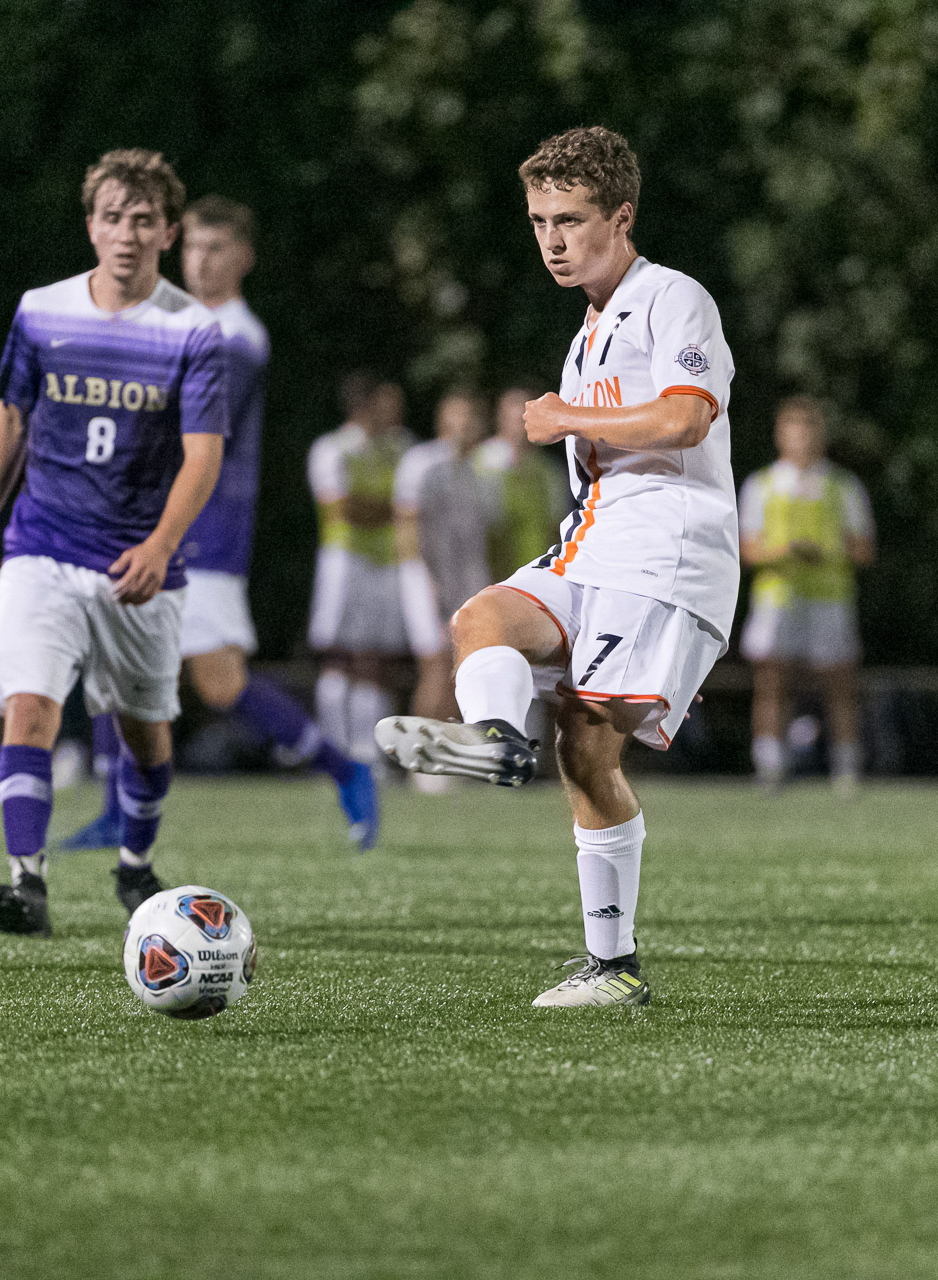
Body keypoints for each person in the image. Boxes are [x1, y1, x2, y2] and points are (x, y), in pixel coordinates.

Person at [376, 126, 737, 1008]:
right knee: (481, 621)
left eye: (570, 219)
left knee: (587, 737)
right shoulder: (586, 335)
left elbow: (688, 418)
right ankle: (497, 741)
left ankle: (614, 970)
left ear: (622, 217)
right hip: (593, 541)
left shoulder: (671, 300)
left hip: (668, 549)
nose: (552, 239)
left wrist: (570, 420)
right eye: (539, 220)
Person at [0, 148, 228, 937]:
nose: (126, 234)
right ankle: (25, 882)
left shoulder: (192, 329)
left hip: (139, 565)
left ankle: (135, 863)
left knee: (144, 733)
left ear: (168, 232)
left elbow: (203, 453)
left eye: (144, 220)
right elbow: (9, 417)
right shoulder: (42, 310)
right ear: (91, 226)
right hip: (42, 546)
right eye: (113, 218)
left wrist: (160, 544)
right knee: (31, 707)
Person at [62, 195, 378, 852]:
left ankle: (345, 769)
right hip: (164, 525)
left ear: (244, 258)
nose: (200, 260)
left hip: (199, 532)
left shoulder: (236, 337)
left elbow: (193, 435)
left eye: (215, 248)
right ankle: (119, 811)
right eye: (194, 247)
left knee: (212, 680)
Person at [738, 396, 875, 793]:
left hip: (829, 596)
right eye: (794, 427)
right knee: (772, 681)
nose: (802, 436)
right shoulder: (761, 484)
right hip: (777, 597)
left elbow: (864, 548)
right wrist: (785, 552)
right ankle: (769, 766)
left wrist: (826, 552)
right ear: (780, 434)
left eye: (809, 427)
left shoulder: (843, 485)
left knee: (839, 682)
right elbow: (748, 549)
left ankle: (846, 769)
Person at [307, 373, 411, 766]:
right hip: (344, 562)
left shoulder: (400, 449)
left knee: (376, 659)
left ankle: (370, 754)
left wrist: (385, 511)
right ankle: (334, 749)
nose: (397, 412)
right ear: (366, 406)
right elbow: (344, 508)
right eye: (388, 403)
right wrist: (398, 512)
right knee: (338, 655)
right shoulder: (331, 449)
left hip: (386, 566)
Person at [395, 390, 496, 789]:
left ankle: (448, 760)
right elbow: (408, 528)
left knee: (463, 670)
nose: (467, 427)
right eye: (459, 417)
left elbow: (483, 539)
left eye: (473, 418)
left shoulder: (479, 473)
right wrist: (427, 586)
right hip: (425, 580)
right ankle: (417, 762)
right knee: (435, 664)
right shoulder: (422, 464)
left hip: (466, 585)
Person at [474, 385, 571, 581]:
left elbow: (556, 528)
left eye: (524, 416)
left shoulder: (551, 469)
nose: (520, 423)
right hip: (488, 576)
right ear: (500, 418)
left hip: (537, 575)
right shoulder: (481, 460)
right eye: (513, 417)